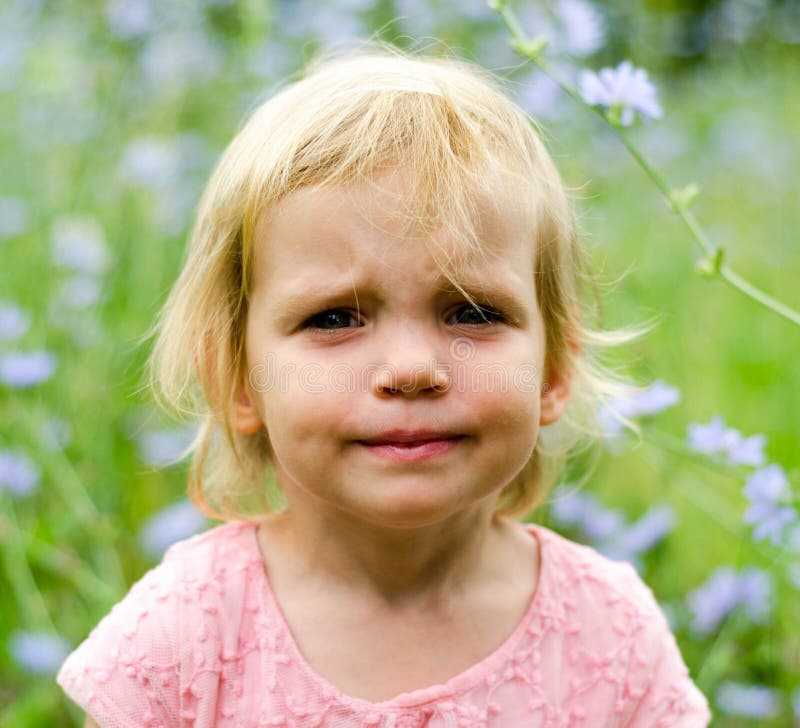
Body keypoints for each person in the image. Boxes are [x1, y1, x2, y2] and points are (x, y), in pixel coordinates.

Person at [56, 44, 711, 727]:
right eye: (335, 318)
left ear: (554, 368)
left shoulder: (610, 633)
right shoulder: (182, 640)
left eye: (473, 312)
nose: (410, 369)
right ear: (238, 379)